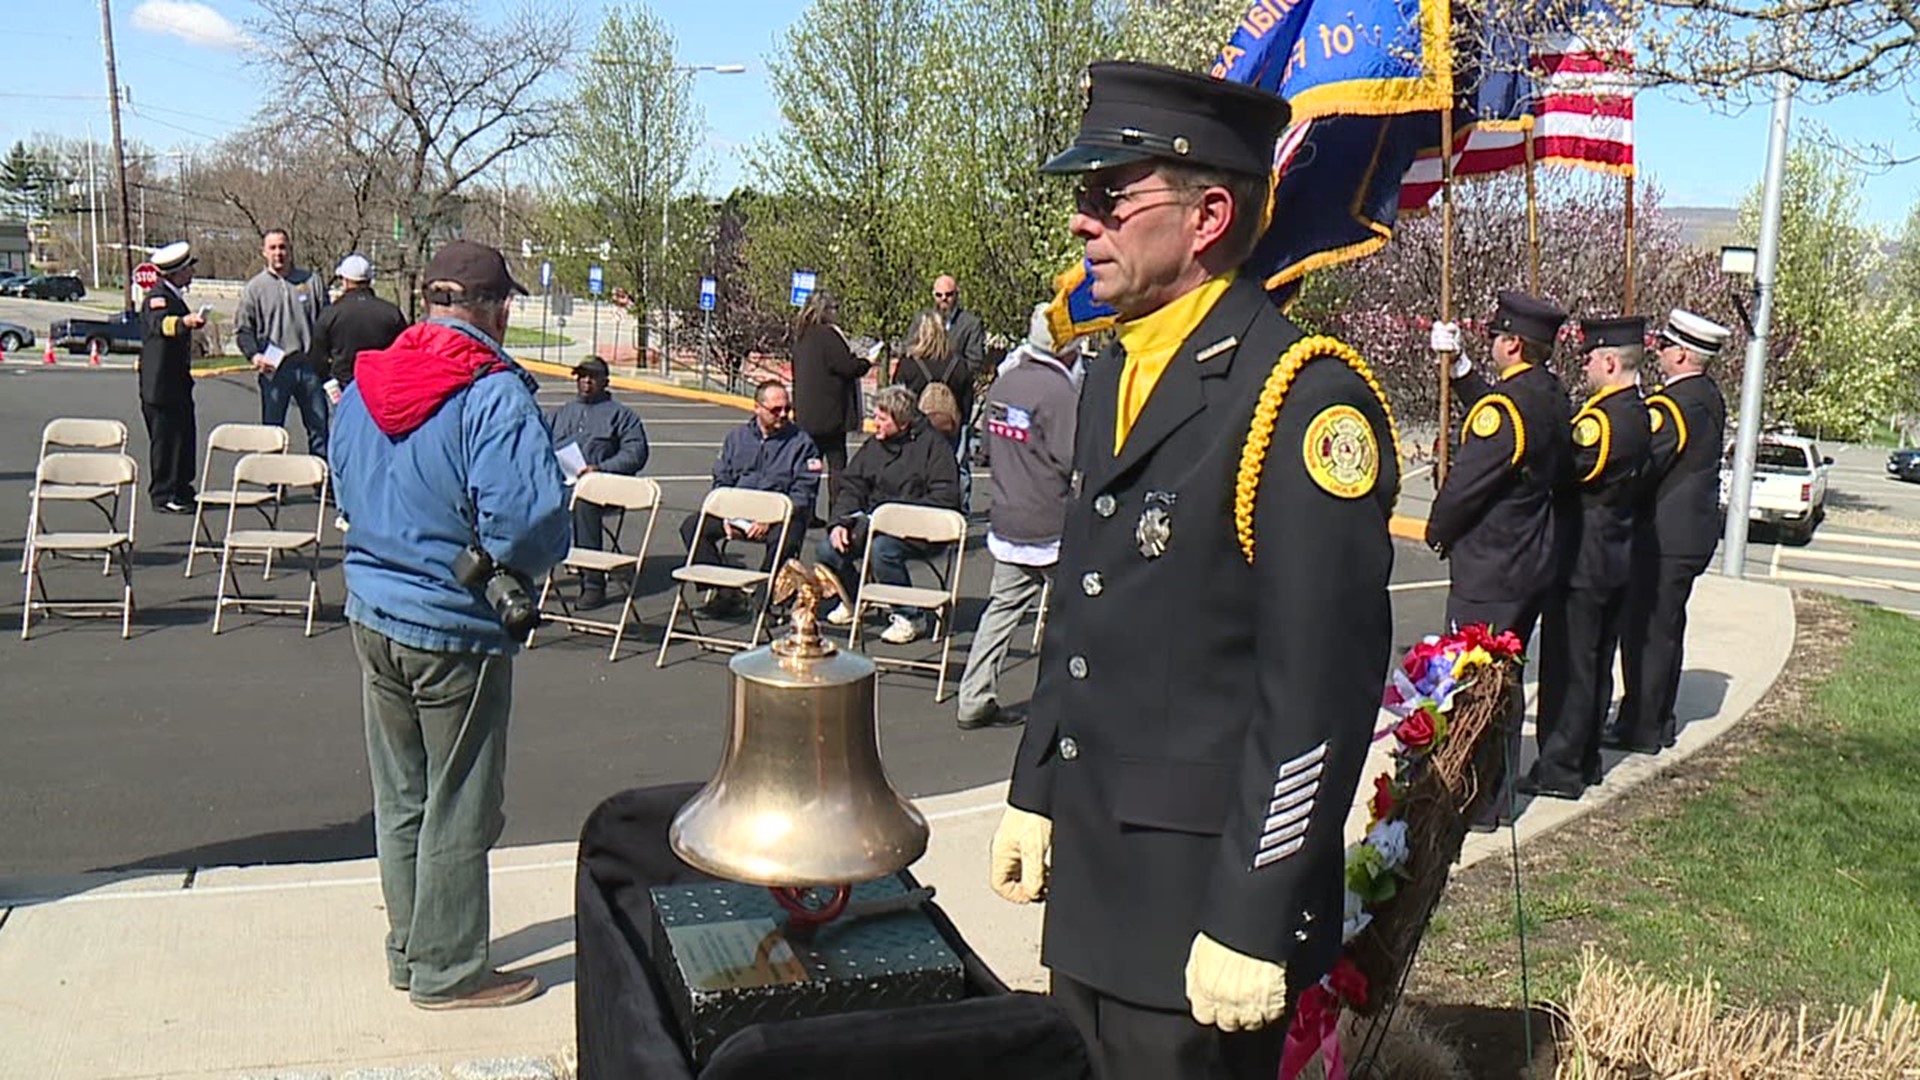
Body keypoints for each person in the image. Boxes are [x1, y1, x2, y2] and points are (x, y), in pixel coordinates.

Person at [988, 62, 1399, 1080]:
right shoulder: (1118, 367)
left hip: (1198, 912)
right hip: (1097, 882)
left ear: (1209, 213)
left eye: (1109, 198)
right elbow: (1085, 607)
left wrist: (1255, 914)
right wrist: (1035, 787)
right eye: (1084, 200)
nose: (1084, 225)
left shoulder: (1300, 400)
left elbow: (1317, 696)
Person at [329, 239, 571, 1011]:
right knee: (460, 799)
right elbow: (531, 520)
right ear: (495, 307)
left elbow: (344, 475)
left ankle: (411, 950)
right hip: (451, 624)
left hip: (373, 608)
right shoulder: (491, 392)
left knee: (402, 796)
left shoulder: (370, 378)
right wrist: (506, 558)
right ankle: (450, 969)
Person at [1425, 290, 1573, 830]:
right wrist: (1462, 370)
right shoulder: (1551, 394)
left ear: (1512, 344)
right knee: (1505, 685)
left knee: (1473, 688)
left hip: (1492, 566)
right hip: (1531, 559)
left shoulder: (1505, 410)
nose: (1491, 346)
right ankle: (1499, 795)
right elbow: (1504, 419)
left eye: (1493, 339)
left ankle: (1470, 800)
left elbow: (1470, 481)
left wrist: (1437, 529)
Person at [1522, 317, 1653, 799]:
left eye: (1591, 359)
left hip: (1583, 561)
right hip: (1615, 555)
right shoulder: (1639, 411)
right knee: (1595, 668)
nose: (1587, 367)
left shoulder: (1602, 421)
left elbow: (1561, 468)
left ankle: (1559, 769)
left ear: (1611, 362)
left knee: (1569, 669)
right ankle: (1586, 757)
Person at [1608, 309, 1731, 754]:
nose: (1657, 351)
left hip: (1664, 536)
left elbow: (1643, 464)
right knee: (1665, 627)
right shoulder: (1706, 394)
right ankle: (1655, 717)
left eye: (1663, 346)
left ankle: (1641, 726)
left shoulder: (1674, 405)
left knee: (1647, 632)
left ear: (1680, 354)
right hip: (1687, 533)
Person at [954, 304, 1080, 731]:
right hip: (1052, 523)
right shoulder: (1058, 393)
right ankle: (1074, 703)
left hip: (1007, 518)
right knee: (1078, 614)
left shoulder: (1005, 384)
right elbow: (1074, 459)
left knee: (1001, 612)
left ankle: (973, 697)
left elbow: (988, 449)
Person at [815, 384, 961, 645]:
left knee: (882, 549)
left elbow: (945, 497)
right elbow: (852, 486)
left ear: (902, 423)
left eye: (882, 419)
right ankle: (853, 597)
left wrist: (895, 516)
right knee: (827, 549)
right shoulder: (874, 446)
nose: (875, 423)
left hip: (919, 530)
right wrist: (839, 522)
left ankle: (909, 616)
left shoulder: (934, 447)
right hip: (871, 524)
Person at [678, 379, 822, 614]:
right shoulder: (737, 438)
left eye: (787, 408)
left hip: (779, 518)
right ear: (757, 408)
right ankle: (725, 593)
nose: (783, 414)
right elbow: (722, 480)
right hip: (737, 514)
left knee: (787, 538)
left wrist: (770, 519)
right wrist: (728, 517)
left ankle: (764, 599)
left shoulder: (802, 444)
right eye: (776, 410)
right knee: (692, 527)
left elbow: (804, 492)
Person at [547, 357, 651, 611]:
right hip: (562, 486)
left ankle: (593, 583)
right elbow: (539, 446)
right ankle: (518, 575)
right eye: (581, 376)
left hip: (602, 490)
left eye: (592, 377)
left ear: (606, 381)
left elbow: (635, 454)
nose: (586, 382)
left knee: (585, 500)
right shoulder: (560, 414)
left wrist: (600, 469)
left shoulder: (622, 416)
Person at [235, 229, 332, 457]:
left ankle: (320, 482)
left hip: (310, 368)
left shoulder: (311, 282)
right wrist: (254, 355)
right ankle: (274, 483)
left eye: (282, 247)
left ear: (290, 250)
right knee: (272, 430)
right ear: (264, 252)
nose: (278, 253)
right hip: (274, 369)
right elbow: (243, 330)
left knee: (319, 428)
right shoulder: (254, 288)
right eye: (273, 248)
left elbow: (327, 322)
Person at [136, 241, 207, 513]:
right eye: (189, 268)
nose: (192, 272)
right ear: (177, 271)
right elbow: (161, 324)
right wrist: (184, 323)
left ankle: (181, 489)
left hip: (176, 384)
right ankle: (164, 493)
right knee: (165, 440)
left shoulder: (173, 295)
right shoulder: (158, 297)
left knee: (183, 437)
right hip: (160, 386)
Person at [789, 290, 872, 515]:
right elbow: (847, 366)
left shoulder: (802, 335)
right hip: (831, 414)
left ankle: (805, 510)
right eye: (834, 307)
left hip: (806, 413)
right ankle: (837, 511)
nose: (837, 312)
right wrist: (866, 362)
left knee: (810, 465)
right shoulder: (828, 336)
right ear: (825, 311)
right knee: (837, 465)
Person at [311, 254, 408, 396]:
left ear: (345, 281)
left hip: (344, 384)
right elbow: (403, 350)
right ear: (369, 281)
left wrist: (327, 380)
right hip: (381, 385)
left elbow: (317, 356)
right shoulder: (391, 313)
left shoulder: (331, 313)